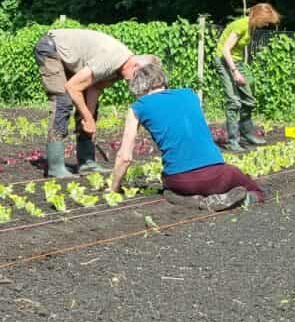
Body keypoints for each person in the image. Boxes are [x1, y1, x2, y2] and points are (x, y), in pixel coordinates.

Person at [108, 58, 265, 210]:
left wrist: (114, 188)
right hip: (218, 175)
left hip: (180, 181)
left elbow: (125, 157)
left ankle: (197, 201)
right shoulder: (190, 95)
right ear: (162, 81)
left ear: (138, 89)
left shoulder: (138, 106)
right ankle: (245, 199)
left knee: (168, 191)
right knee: (255, 190)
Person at [34, 27, 160, 179]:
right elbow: (72, 87)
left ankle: (86, 163)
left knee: (87, 108)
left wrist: (90, 119)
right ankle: (55, 166)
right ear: (135, 65)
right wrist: (88, 119)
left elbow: (94, 89)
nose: (136, 82)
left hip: (69, 58)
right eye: (138, 76)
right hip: (51, 48)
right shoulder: (112, 60)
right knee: (63, 101)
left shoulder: (121, 70)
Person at [216, 3, 281, 152]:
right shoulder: (241, 25)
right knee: (234, 101)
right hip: (224, 60)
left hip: (236, 61)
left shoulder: (251, 27)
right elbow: (226, 49)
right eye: (266, 21)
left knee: (249, 100)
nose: (266, 24)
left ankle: (246, 133)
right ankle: (232, 140)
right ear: (258, 16)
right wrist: (235, 71)